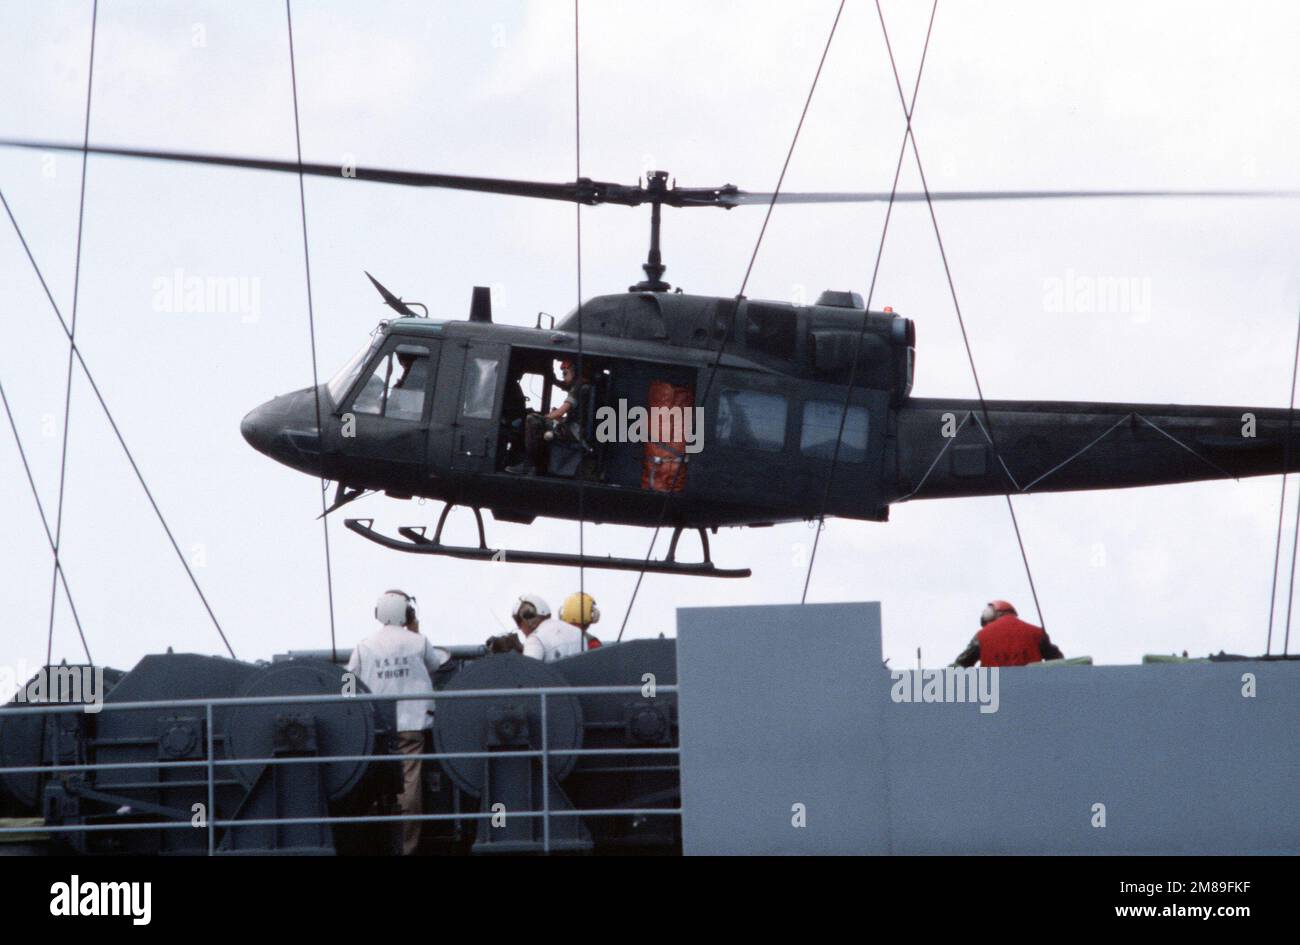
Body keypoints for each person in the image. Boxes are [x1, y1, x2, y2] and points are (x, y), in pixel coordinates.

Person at [347, 590, 450, 855]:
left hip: (377, 727)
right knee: (409, 784)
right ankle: (406, 846)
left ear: (379, 614)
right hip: (413, 723)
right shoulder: (419, 641)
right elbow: (436, 665)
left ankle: (372, 843)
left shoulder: (364, 645)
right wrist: (415, 631)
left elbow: (348, 681)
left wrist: (349, 705)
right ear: (407, 614)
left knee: (374, 781)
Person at [507, 360, 590, 475]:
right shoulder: (582, 386)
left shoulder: (578, 387)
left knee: (533, 420)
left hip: (575, 431)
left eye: (565, 373)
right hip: (575, 428)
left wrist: (546, 417)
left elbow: (560, 412)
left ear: (575, 372)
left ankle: (530, 464)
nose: (563, 377)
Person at [953, 600, 1064, 668]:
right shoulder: (1037, 632)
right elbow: (1058, 661)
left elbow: (960, 665)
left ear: (990, 615)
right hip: (1032, 693)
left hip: (995, 696)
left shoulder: (982, 636)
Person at [511, 593, 584, 663]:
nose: (520, 628)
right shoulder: (578, 632)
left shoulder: (535, 639)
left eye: (519, 622)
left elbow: (529, 672)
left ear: (528, 619)